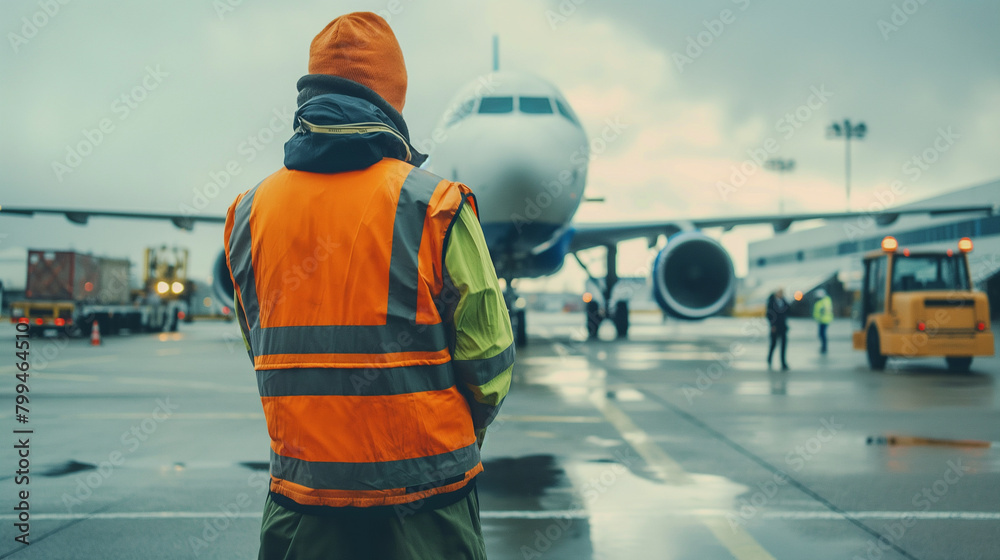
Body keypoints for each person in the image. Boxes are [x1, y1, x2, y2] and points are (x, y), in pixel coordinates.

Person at [224, 12, 514, 559]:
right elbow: (489, 363)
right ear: (392, 100)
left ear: (311, 93)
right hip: (426, 506)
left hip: (301, 504)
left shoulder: (249, 213)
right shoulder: (436, 206)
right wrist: (452, 434)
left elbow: (260, 350)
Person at [766, 288, 789, 370]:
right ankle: (769, 358)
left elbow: (788, 311)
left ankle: (783, 362)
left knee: (783, 345)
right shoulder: (771, 302)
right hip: (775, 327)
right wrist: (772, 325)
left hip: (783, 327)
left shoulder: (784, 302)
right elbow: (769, 314)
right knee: (773, 344)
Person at [812, 288, 833, 354]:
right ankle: (824, 347)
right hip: (822, 320)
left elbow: (823, 310)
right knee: (822, 334)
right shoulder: (825, 300)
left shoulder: (824, 301)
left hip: (823, 320)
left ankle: (824, 347)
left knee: (822, 334)